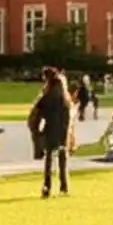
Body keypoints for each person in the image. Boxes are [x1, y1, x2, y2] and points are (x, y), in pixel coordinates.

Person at [32, 67, 73, 198]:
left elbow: (37, 115)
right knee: (62, 158)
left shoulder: (47, 97)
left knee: (49, 159)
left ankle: (47, 186)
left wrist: (37, 131)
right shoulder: (65, 97)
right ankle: (64, 186)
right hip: (63, 130)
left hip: (50, 130)